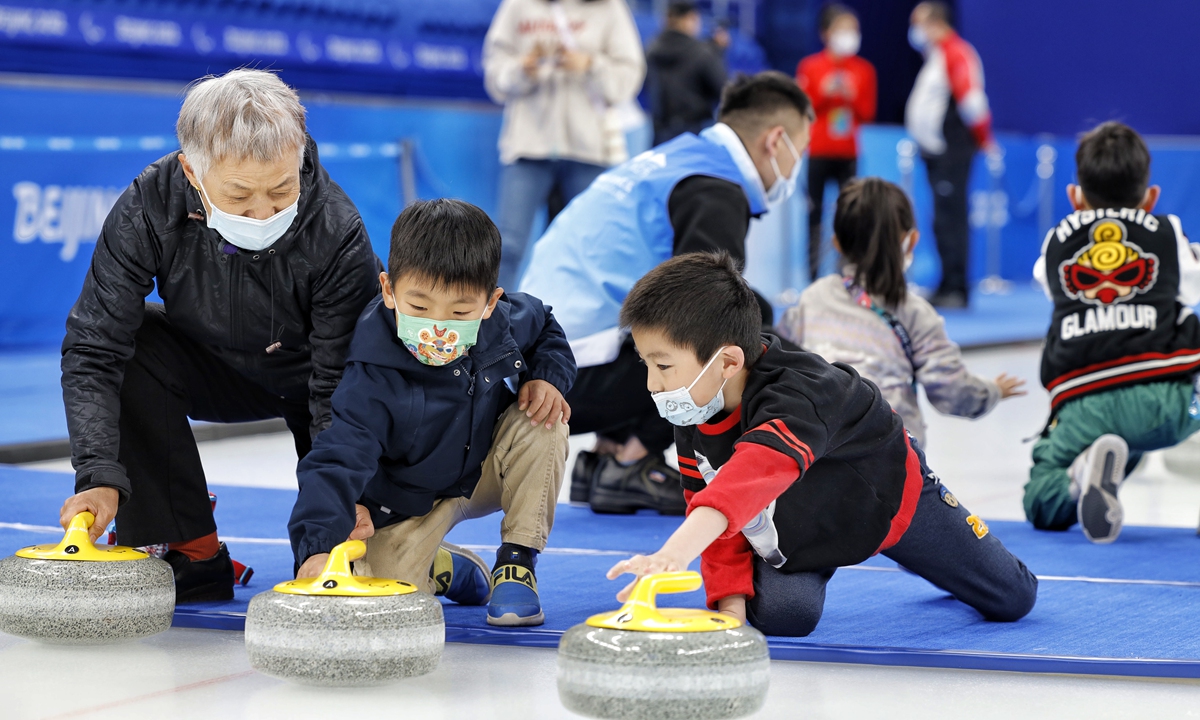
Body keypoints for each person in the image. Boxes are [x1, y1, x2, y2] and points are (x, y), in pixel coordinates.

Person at [56, 70, 380, 603]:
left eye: (281, 190)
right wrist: (97, 473)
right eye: (239, 194)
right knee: (131, 340)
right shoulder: (147, 206)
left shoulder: (337, 229)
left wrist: (325, 533)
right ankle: (195, 552)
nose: (263, 212)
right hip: (211, 365)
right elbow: (94, 347)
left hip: (317, 377)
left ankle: (415, 550)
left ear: (299, 158)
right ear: (192, 171)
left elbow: (342, 384)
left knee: (362, 542)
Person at [605, 252, 1038, 636]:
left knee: (1013, 598)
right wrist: (729, 610)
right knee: (784, 617)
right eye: (646, 364)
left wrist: (673, 553)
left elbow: (748, 477)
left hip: (890, 504)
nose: (652, 384)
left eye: (662, 365)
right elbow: (712, 503)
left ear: (729, 361)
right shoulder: (696, 404)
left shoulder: (804, 392)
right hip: (802, 527)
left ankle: (939, 563)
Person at [518, 71, 812, 515]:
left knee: (717, 317)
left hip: (540, 366)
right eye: (800, 152)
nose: (796, 167)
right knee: (740, 343)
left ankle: (610, 453)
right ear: (776, 141)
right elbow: (708, 313)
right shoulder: (713, 188)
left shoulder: (679, 160)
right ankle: (634, 458)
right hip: (562, 381)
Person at [288, 199, 576, 627]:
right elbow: (338, 456)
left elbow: (546, 325)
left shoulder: (500, 322)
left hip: (484, 469)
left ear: (490, 302)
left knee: (543, 422)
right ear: (388, 290)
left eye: (460, 312)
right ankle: (439, 566)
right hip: (406, 504)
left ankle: (517, 563)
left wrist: (548, 377)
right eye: (419, 307)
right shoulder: (371, 371)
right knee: (379, 604)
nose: (439, 325)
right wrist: (317, 548)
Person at [1026, 122, 1200, 544]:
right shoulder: (1166, 230)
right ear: (1151, 197)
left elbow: (1046, 282)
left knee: (1039, 497)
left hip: (1084, 405)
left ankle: (1077, 479)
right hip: (1170, 404)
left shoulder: (1055, 242)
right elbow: (1191, 285)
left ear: (1074, 197)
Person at [778, 178, 1024, 447]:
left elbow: (782, 362)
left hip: (818, 452)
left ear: (836, 243)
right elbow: (952, 393)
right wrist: (991, 391)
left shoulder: (812, 298)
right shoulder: (915, 313)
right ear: (912, 240)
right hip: (892, 456)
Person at [483, 0, 646, 290]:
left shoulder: (610, 8)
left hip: (590, 151)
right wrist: (523, 69)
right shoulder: (518, 5)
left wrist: (591, 64)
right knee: (506, 247)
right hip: (528, 146)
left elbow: (628, 79)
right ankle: (493, 324)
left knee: (587, 251)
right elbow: (495, 74)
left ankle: (569, 330)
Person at [904, 1, 994, 309]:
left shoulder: (955, 52)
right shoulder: (936, 56)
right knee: (942, 219)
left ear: (934, 23)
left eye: (918, 23)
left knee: (952, 219)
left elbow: (972, 100)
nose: (914, 31)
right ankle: (946, 283)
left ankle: (957, 287)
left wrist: (984, 139)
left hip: (952, 150)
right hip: (936, 152)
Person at [796, 3, 876, 281]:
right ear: (826, 33)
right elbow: (804, 108)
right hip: (818, 151)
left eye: (853, 30)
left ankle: (846, 273)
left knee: (849, 215)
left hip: (847, 152)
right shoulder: (811, 67)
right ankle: (812, 275)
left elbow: (867, 112)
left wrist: (851, 96)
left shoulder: (864, 70)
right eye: (842, 29)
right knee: (814, 214)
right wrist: (825, 93)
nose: (849, 35)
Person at [646, 1, 727, 146]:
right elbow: (723, 89)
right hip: (694, 134)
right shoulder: (702, 53)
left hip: (659, 134)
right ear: (690, 18)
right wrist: (717, 53)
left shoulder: (651, 50)